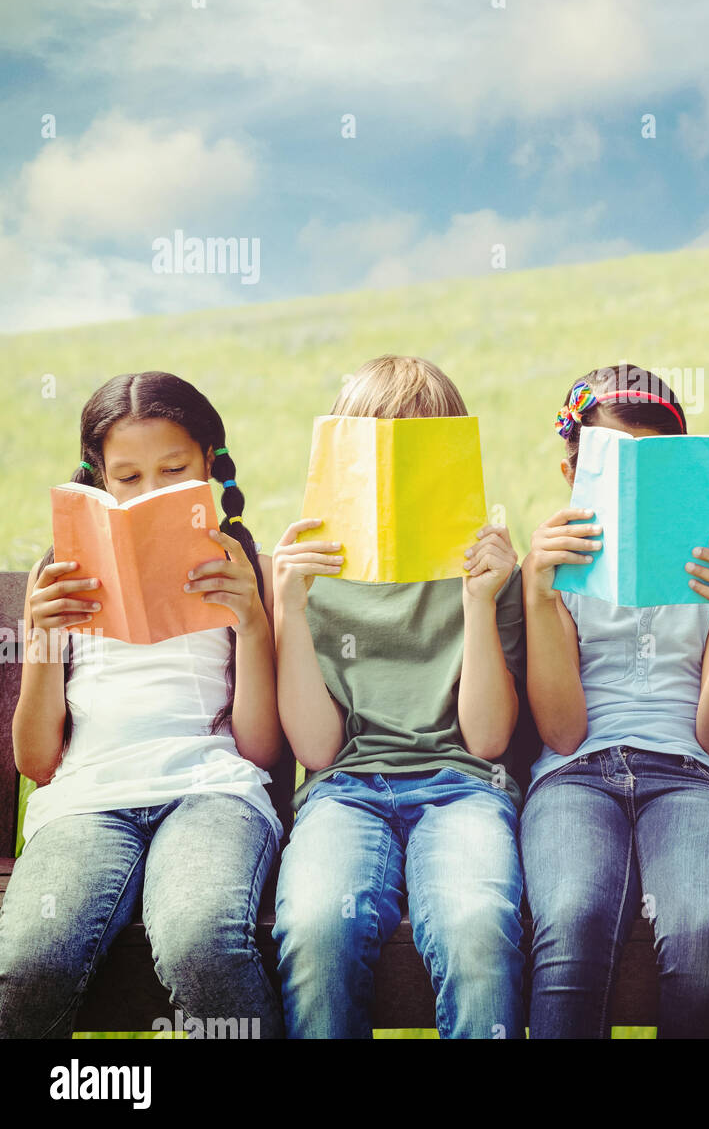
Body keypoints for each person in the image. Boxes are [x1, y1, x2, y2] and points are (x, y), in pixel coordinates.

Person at [0, 371, 283, 1038]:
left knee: (202, 938)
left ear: (209, 464)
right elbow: (38, 761)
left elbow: (262, 749)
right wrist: (42, 640)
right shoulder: (60, 575)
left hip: (210, 791)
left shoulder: (238, 567)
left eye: (174, 470)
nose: (151, 493)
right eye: (128, 478)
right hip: (87, 801)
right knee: (30, 961)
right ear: (97, 478)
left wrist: (252, 625)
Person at [271, 355, 528, 1038]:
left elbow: (489, 741)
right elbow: (318, 749)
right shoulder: (314, 573)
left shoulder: (484, 567)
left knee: (477, 928)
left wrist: (479, 602)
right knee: (317, 927)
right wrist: (289, 612)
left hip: (464, 786)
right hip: (344, 789)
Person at [520, 364, 709, 1038]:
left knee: (706, 926)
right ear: (573, 475)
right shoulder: (554, 576)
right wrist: (539, 595)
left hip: (687, 774)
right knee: (571, 919)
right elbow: (562, 733)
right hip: (574, 775)